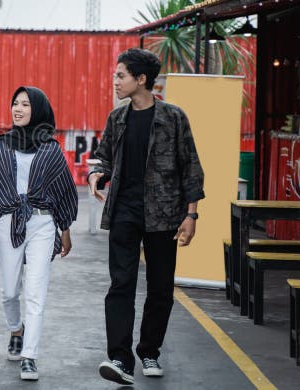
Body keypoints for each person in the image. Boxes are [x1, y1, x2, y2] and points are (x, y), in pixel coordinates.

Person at [89, 48, 205, 385]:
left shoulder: (173, 117)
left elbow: (191, 169)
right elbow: (105, 157)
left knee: (160, 288)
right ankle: (121, 359)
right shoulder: (117, 118)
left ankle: (149, 351)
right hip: (124, 210)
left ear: (142, 80)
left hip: (165, 215)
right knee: (121, 285)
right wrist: (98, 175)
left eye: (121, 76)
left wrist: (191, 216)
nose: (116, 81)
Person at [0, 86, 78, 381]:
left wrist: (64, 230)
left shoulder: (51, 148)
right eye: (15, 104)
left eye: (25, 105)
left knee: (36, 291)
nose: (17, 109)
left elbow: (64, 190)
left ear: (38, 109)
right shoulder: (1, 145)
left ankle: (30, 356)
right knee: (9, 291)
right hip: (8, 221)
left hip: (42, 223)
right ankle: (17, 330)